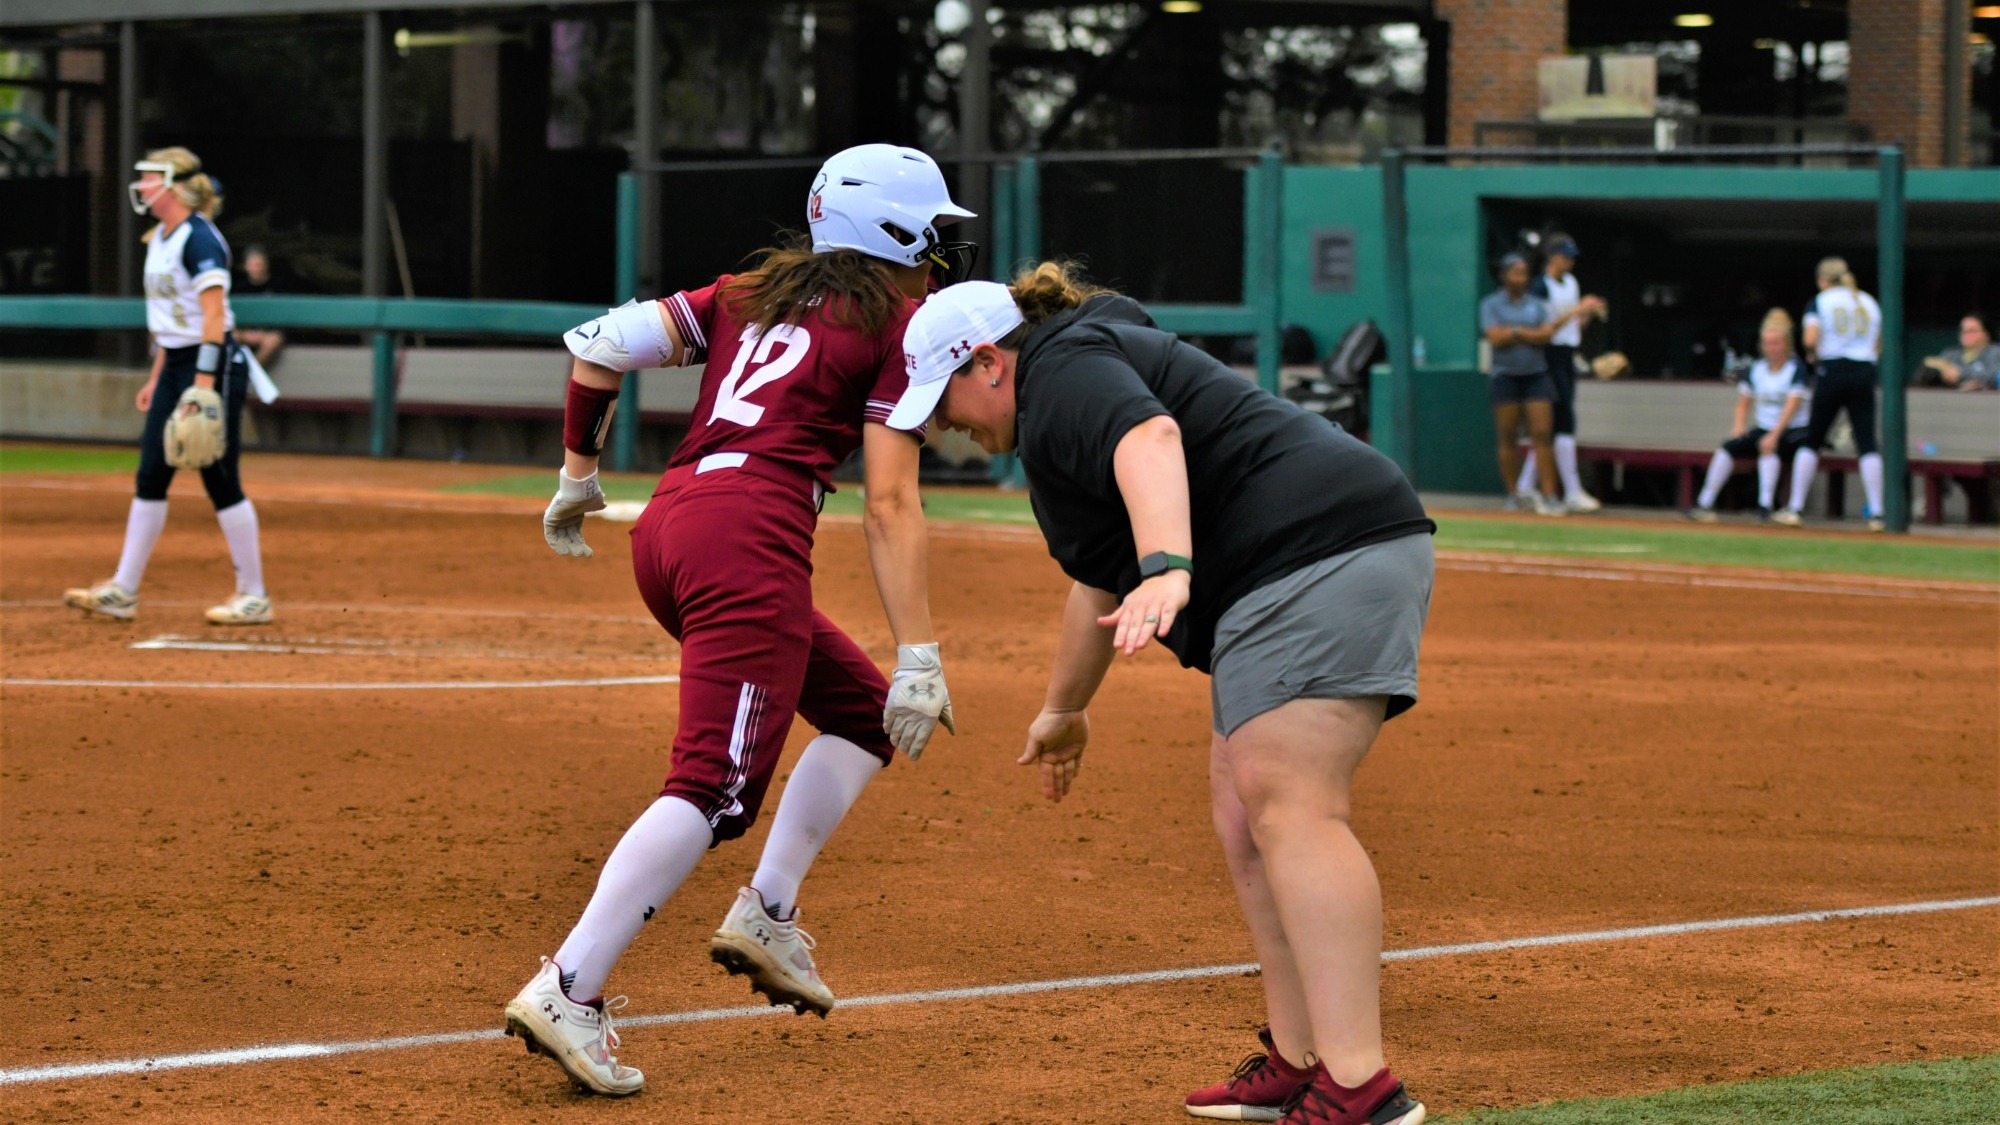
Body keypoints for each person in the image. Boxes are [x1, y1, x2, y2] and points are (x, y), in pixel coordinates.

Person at [903, 267, 1435, 1125]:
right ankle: (1302, 1061)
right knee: (1245, 815)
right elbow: (1093, 586)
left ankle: (1363, 1088)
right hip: (1294, 563)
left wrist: (1168, 567)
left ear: (989, 361)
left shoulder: (1061, 367)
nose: (942, 425)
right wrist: (1065, 707)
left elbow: (1149, 438)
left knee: (1294, 807)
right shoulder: (1055, 415)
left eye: (943, 398)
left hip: (1317, 549)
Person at [501, 143, 974, 1098]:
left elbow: (596, 344)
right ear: (891, 229)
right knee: (713, 786)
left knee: (859, 714)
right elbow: (890, 504)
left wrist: (577, 478)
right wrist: (923, 648)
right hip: (747, 536)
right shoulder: (899, 321)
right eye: (928, 227)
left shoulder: (745, 292)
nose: (938, 248)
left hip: (672, 524)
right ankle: (571, 985)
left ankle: (768, 911)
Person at [62, 146, 273, 627]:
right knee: (151, 475)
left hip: (211, 362)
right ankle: (124, 590)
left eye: (152, 178)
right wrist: (157, 376)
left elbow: (215, 317)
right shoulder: (158, 236)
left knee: (219, 479)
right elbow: (165, 324)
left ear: (176, 186)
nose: (143, 186)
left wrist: (202, 387)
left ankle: (254, 594)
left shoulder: (200, 240)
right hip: (175, 362)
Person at [1479, 252, 1603, 517]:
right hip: (1505, 375)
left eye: (1524, 273)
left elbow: (1547, 334)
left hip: (1535, 374)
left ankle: (1550, 495)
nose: (1521, 278)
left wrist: (1514, 331)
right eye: (1516, 272)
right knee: (1508, 436)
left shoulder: (1535, 303)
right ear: (1504, 276)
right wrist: (1524, 333)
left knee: (1543, 433)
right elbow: (1494, 337)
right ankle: (1514, 494)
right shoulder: (1491, 304)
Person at [1776, 256, 1884, 530]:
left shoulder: (1820, 301)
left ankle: (1795, 507)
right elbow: (1878, 343)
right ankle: (1877, 513)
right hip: (1864, 370)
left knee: (1813, 437)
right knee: (1867, 441)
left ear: (1823, 279)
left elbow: (1810, 339)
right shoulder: (1868, 301)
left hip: (1833, 369)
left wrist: (1813, 355)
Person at [1687, 313, 1812, 522]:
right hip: (1764, 427)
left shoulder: (1795, 369)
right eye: (1767, 344)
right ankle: (1704, 504)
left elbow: (1791, 407)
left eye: (1776, 344)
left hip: (1792, 430)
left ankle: (1766, 506)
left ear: (1786, 345)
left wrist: (1773, 435)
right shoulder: (1757, 368)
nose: (1771, 348)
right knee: (1729, 446)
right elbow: (1744, 402)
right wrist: (1739, 426)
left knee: (1769, 447)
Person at [1514, 234, 1606, 511]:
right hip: (1548, 355)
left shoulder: (1572, 283)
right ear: (1552, 256)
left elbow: (1572, 328)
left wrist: (1588, 313)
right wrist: (1578, 309)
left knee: (1557, 425)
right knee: (1558, 421)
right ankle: (1571, 491)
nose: (1570, 261)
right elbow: (1545, 328)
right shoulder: (1540, 287)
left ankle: (1525, 487)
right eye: (1566, 255)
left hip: (1566, 353)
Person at [233, 244, 286, 367]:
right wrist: (246, 333)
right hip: (245, 332)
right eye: (252, 265)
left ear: (266, 265)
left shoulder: (277, 286)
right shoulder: (240, 288)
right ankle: (235, 369)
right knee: (230, 336)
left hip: (268, 332)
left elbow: (282, 315)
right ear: (245, 266)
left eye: (259, 264)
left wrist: (262, 333)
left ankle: (252, 370)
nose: (256, 268)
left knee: (273, 340)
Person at [1924, 313, 1999, 391]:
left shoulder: (1995, 352)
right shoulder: (1951, 354)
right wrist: (1942, 375)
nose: (1966, 334)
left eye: (1971, 330)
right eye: (1963, 330)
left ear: (1987, 334)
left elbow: (1995, 376)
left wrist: (1961, 374)